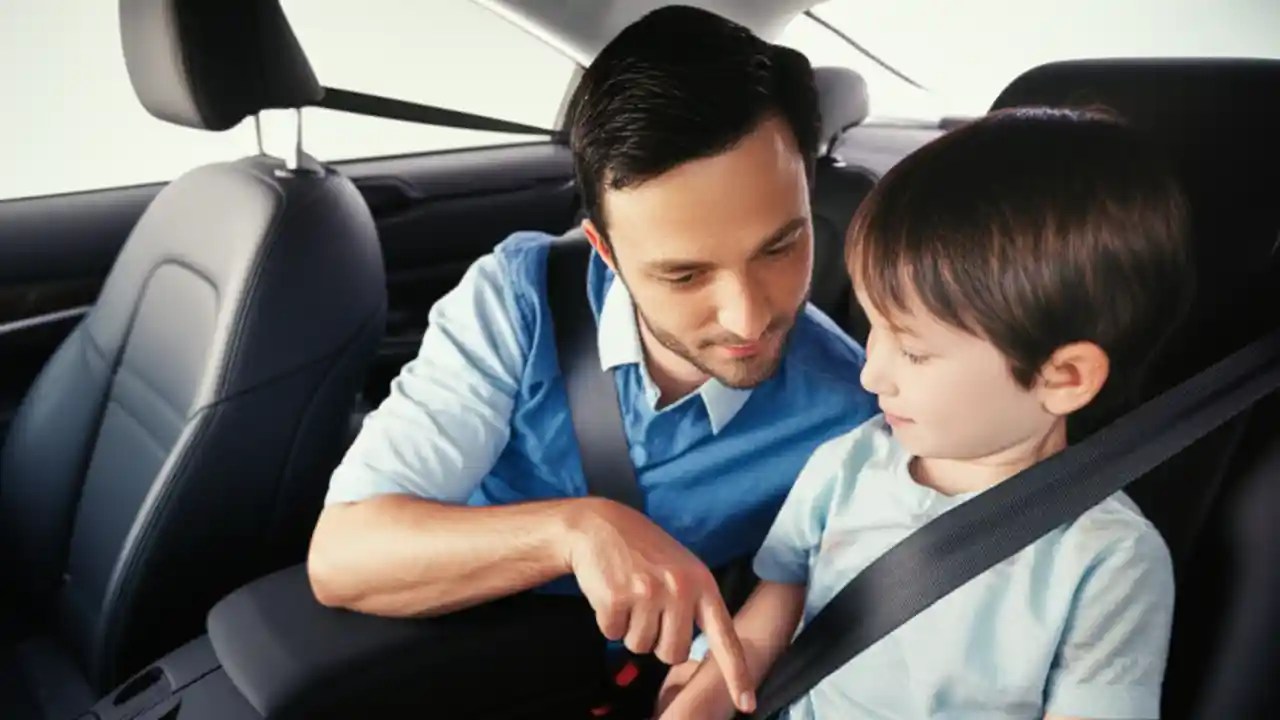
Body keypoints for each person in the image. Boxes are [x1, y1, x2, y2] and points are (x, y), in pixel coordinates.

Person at [305, 5, 878, 715]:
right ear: (605, 253)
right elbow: (343, 558)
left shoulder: (855, 413)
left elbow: (811, 589)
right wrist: (575, 530)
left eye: (780, 246)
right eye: (685, 275)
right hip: (445, 652)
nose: (749, 317)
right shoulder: (521, 300)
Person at [656, 107, 1194, 719]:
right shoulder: (848, 463)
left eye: (913, 350)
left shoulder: (1107, 559)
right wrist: (702, 702)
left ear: (1062, 377)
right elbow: (777, 608)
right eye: (873, 329)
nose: (870, 373)